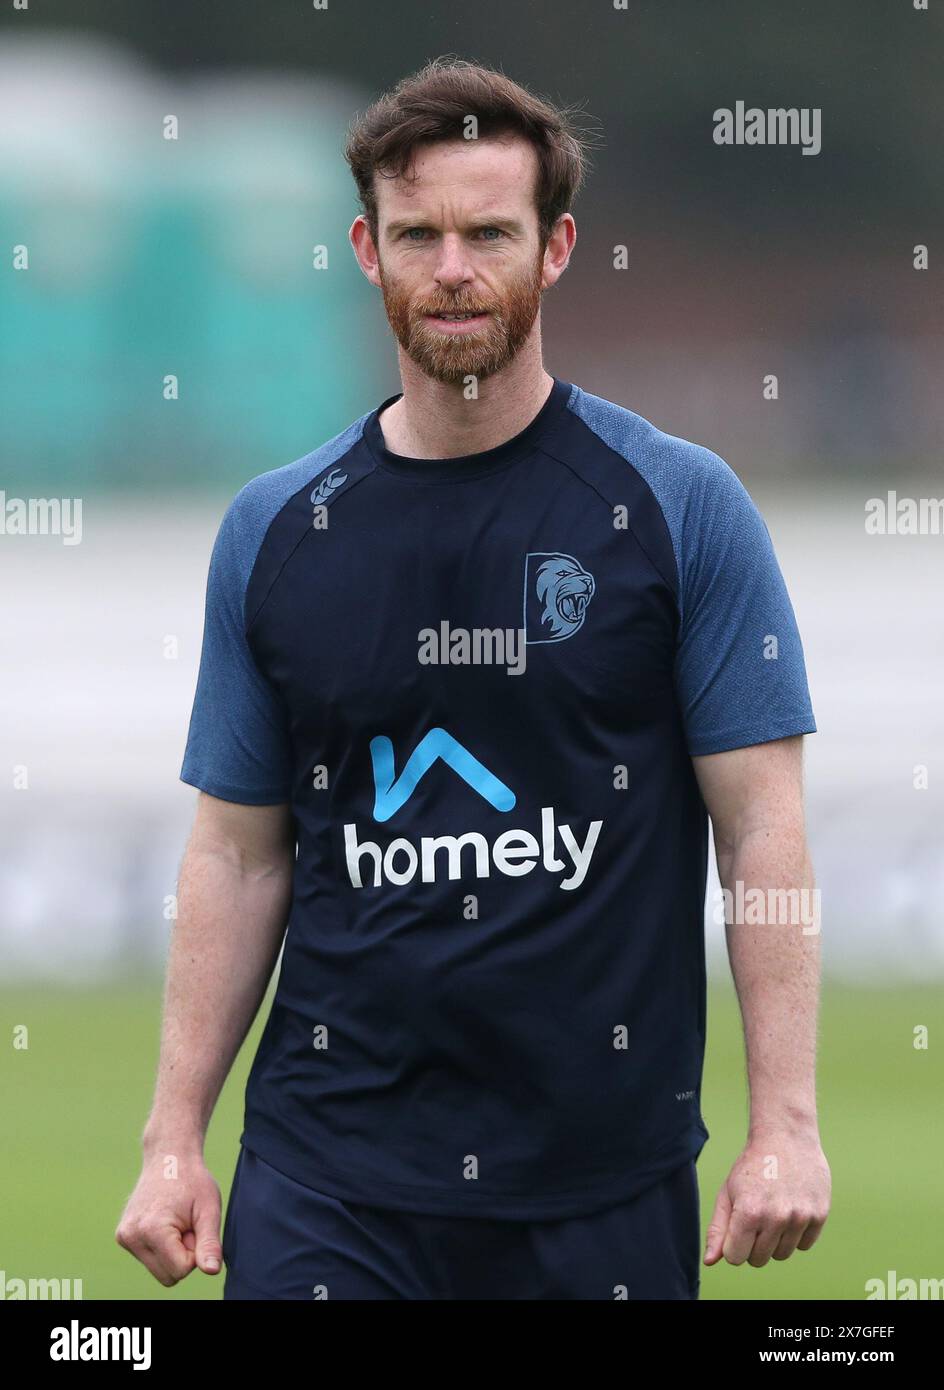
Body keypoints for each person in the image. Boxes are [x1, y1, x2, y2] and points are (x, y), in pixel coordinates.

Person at [116, 57, 830, 1300]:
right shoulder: (276, 530)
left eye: (487, 232)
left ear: (555, 249)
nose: (452, 268)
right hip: (326, 1179)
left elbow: (760, 827)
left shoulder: (678, 507)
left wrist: (788, 1122)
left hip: (596, 1184)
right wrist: (173, 1134)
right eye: (418, 235)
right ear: (365, 249)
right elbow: (236, 851)